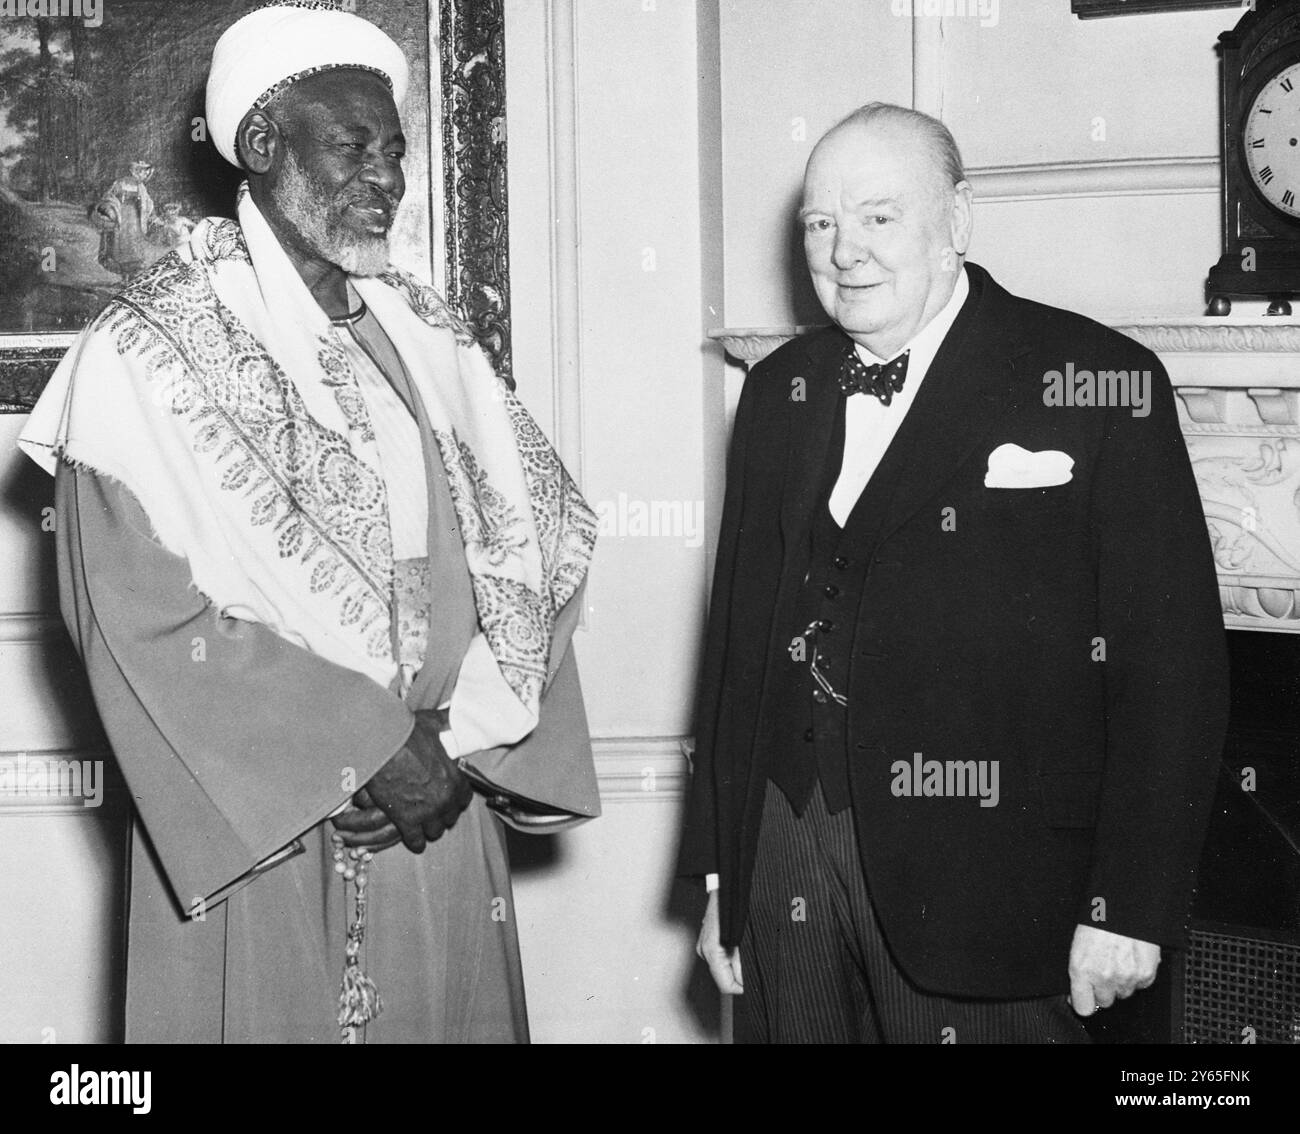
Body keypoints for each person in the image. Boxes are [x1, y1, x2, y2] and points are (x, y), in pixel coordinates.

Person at [19, 0, 598, 1044]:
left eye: (395, 151)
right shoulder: (141, 355)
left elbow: (535, 558)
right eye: (351, 147)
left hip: (435, 814)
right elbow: (133, 619)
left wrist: (451, 743)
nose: (384, 177)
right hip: (259, 833)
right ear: (261, 144)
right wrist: (361, 746)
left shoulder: (434, 340)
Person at [682, 102, 1228, 1044]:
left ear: (958, 223)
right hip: (784, 862)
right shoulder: (778, 393)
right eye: (822, 222)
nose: (844, 249)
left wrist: (1130, 903)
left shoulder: (1099, 380)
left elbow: (1171, 670)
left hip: (995, 893)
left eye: (880, 217)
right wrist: (722, 879)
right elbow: (732, 652)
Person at [93, 160, 157, 279]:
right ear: (134, 171)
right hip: (121, 216)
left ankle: (132, 276)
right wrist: (112, 208)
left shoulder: (140, 187)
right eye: (141, 171)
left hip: (134, 218)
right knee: (119, 246)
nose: (143, 174)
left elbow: (147, 202)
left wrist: (148, 211)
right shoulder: (120, 183)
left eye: (144, 172)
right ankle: (124, 277)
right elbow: (108, 197)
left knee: (133, 246)